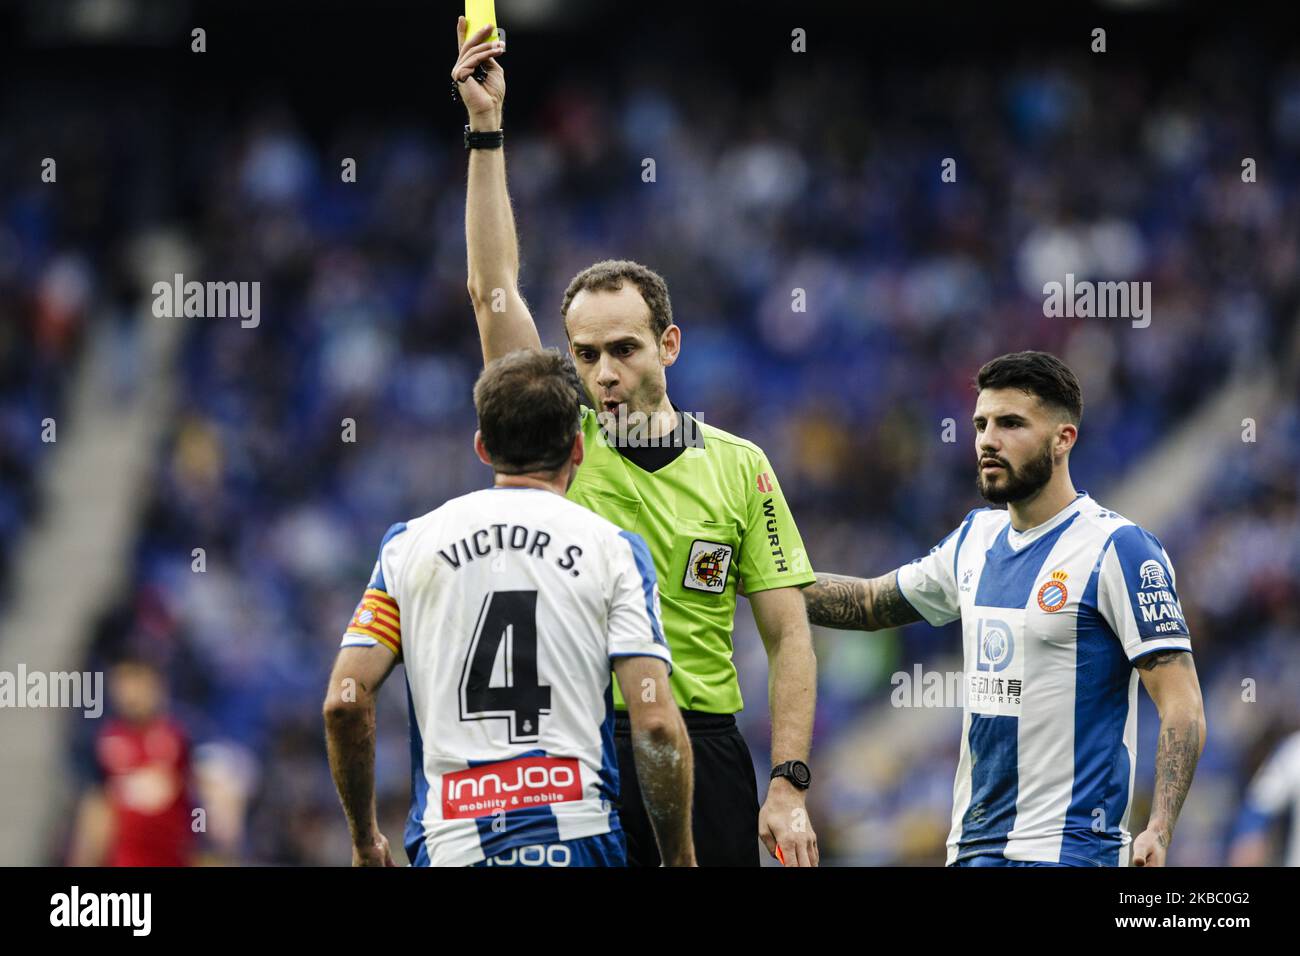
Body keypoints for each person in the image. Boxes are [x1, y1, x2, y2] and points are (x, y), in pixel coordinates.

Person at [451, 17, 819, 867]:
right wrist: (485, 130)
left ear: (670, 344)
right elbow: (490, 289)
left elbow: (789, 637)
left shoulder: (739, 467)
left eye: (624, 349)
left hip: (706, 745)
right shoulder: (560, 441)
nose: (603, 371)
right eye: (585, 354)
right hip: (579, 738)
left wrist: (789, 782)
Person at [803, 351, 1206, 866]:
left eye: (1011, 423)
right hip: (971, 850)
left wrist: (1160, 827)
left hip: (1071, 850)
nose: (987, 440)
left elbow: (1182, 703)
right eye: (980, 424)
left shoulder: (1118, 548)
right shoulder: (975, 537)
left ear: (1064, 439)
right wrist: (751, 574)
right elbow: (865, 604)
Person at [323, 349, 695, 867]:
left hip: (452, 842)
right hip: (578, 838)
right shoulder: (615, 551)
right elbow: (654, 723)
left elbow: (345, 702)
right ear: (577, 448)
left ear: (481, 447)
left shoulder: (407, 546)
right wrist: (680, 859)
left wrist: (366, 840)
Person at [68, 654, 196, 866]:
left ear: (157, 685)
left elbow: (199, 802)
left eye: (137, 681)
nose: (130, 693)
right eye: (122, 683)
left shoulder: (183, 735)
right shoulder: (102, 742)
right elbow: (95, 811)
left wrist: (203, 841)